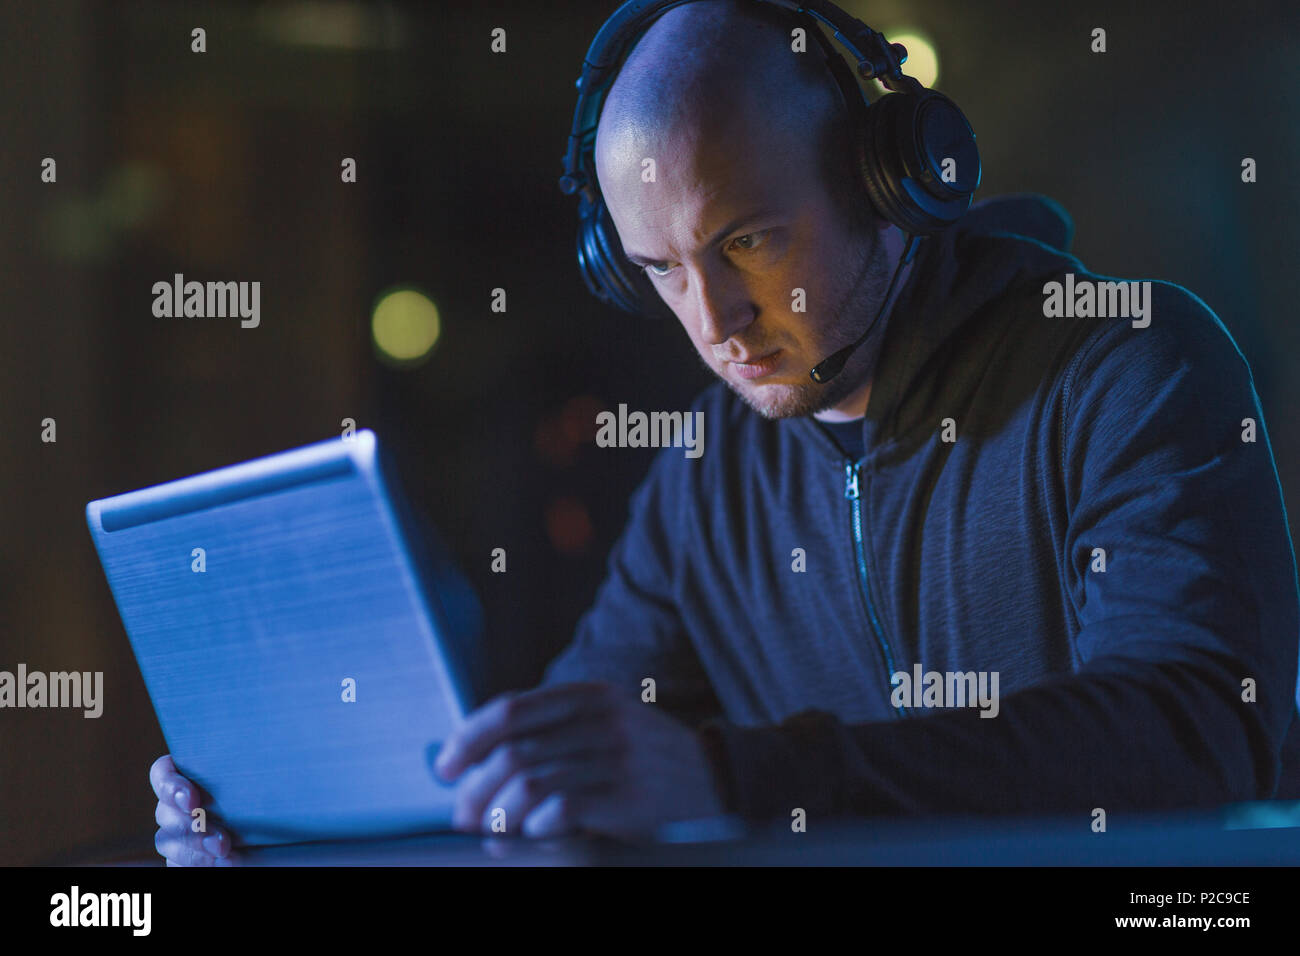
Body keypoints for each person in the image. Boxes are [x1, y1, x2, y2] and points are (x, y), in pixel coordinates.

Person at [152, 0, 1300, 864]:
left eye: (747, 242)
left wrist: (737, 774)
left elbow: (1192, 733)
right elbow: (585, 765)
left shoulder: (1128, 365)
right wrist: (294, 827)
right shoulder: (706, 471)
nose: (713, 323)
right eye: (659, 270)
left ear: (892, 180)